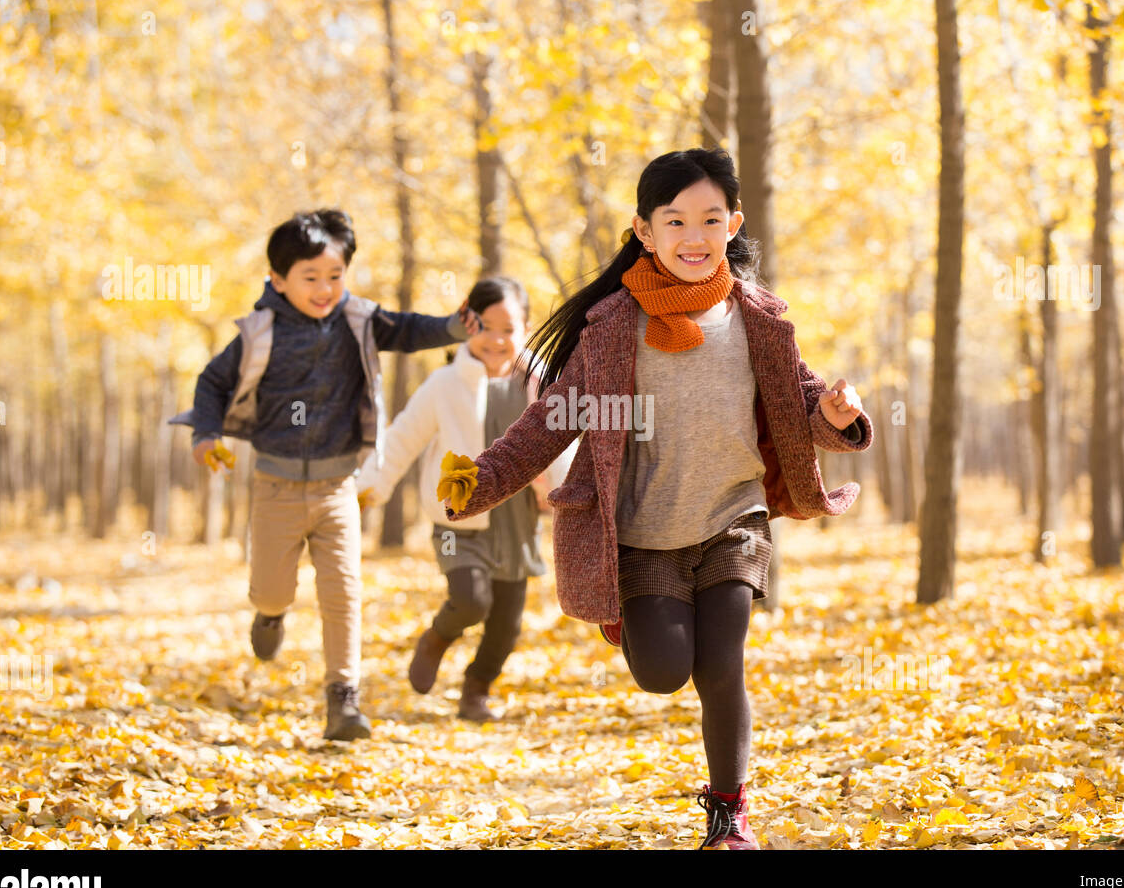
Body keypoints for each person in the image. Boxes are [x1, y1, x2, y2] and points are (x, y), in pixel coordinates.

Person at [435, 149, 874, 848]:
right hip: (642, 532)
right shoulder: (613, 330)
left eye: (709, 219)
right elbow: (552, 419)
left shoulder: (757, 319)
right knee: (664, 673)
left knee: (721, 666)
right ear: (645, 232)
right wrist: (482, 480)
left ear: (732, 223)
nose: (694, 236)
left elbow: (804, 400)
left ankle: (729, 815)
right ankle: (631, 621)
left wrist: (839, 414)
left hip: (734, 518)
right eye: (675, 221)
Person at [172, 208, 478, 741]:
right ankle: (270, 615)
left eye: (334, 276)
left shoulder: (357, 320)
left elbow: (406, 329)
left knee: (343, 593)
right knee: (272, 590)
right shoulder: (259, 333)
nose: (325, 289)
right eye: (310, 278)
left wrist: (452, 326)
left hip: (338, 489)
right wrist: (205, 435)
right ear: (278, 279)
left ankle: (344, 701)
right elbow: (211, 383)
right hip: (276, 488)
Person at [357, 276, 575, 722]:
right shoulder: (444, 384)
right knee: (471, 598)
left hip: (516, 518)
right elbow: (402, 438)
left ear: (528, 327)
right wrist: (369, 488)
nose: (497, 339)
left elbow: (565, 443)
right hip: (457, 518)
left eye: (509, 329)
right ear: (468, 325)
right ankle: (437, 637)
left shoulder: (540, 383)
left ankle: (476, 689)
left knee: (507, 624)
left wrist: (567, 491)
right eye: (486, 327)